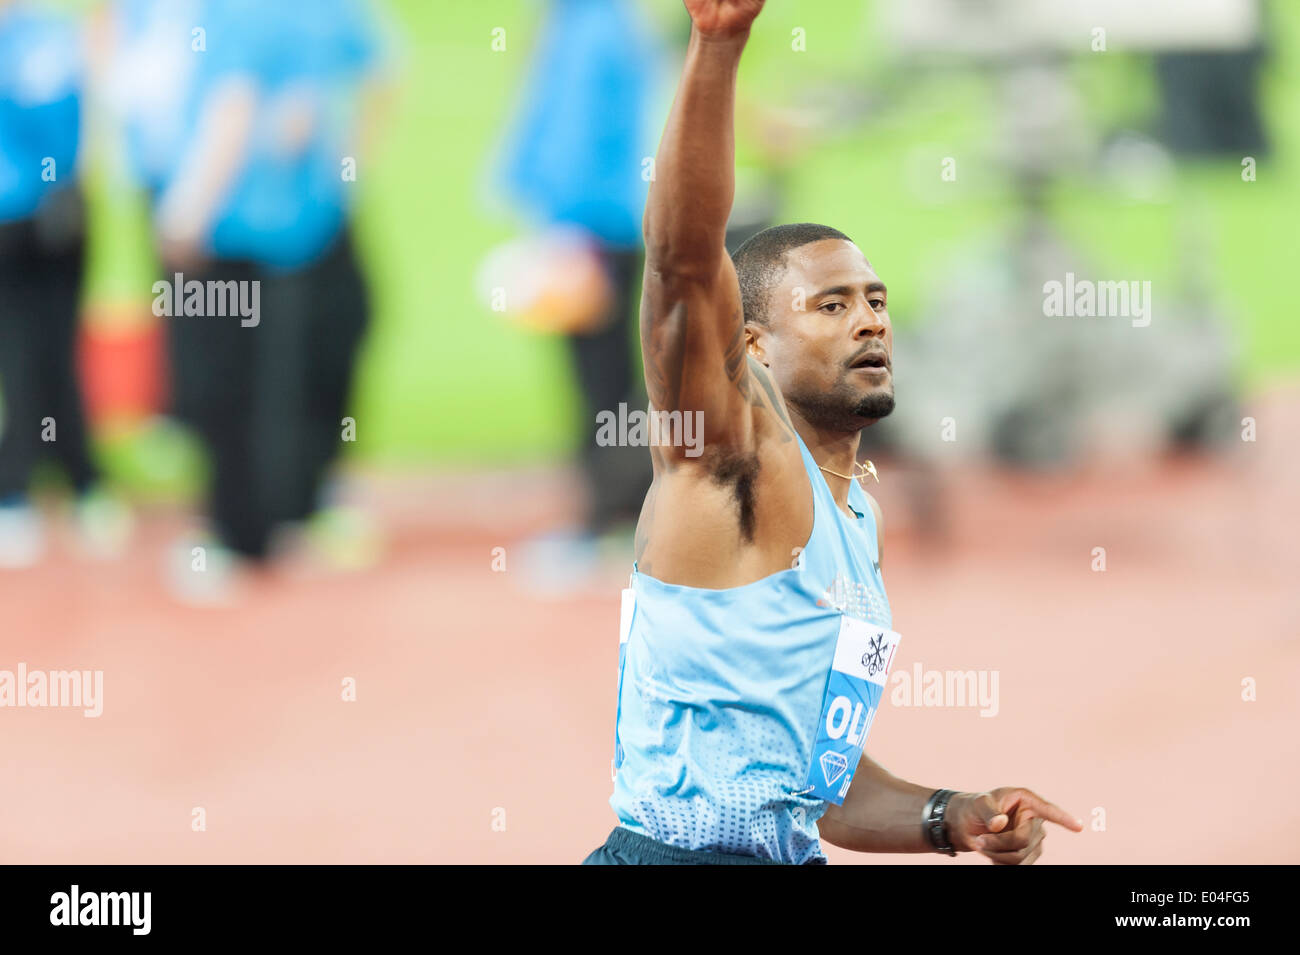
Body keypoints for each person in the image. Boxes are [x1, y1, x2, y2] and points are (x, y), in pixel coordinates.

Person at [585, 0, 1081, 865]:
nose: (869, 323)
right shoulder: (732, 464)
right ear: (751, 345)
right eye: (831, 305)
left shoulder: (855, 519)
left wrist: (950, 814)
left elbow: (820, 785)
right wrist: (717, 44)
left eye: (877, 301)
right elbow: (679, 264)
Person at [0, 0, 128, 569]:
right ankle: (65, 482)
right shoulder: (57, 37)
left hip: (46, 218)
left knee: (40, 352)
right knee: (33, 352)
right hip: (53, 213)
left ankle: (39, 485)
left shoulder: (52, 38)